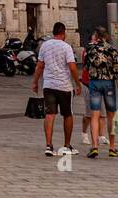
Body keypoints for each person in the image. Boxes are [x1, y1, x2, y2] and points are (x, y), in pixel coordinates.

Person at [31, 21, 82, 157]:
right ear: (63, 33)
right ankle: (66, 145)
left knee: (50, 114)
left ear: (54, 32)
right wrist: (78, 83)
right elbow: (72, 67)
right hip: (64, 86)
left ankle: (49, 145)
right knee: (67, 114)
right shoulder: (66, 47)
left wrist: (35, 82)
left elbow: (40, 66)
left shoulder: (44, 46)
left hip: (49, 85)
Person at [84, 25, 118, 159]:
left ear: (96, 36)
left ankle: (94, 146)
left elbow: (86, 67)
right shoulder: (113, 50)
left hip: (94, 83)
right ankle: (112, 148)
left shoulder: (89, 49)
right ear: (105, 36)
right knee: (110, 115)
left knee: (95, 115)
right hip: (109, 84)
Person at [79, 30, 98, 144]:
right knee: (89, 112)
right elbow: (87, 65)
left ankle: (100, 136)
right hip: (88, 83)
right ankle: (84, 133)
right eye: (94, 39)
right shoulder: (87, 51)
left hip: (99, 83)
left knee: (101, 113)